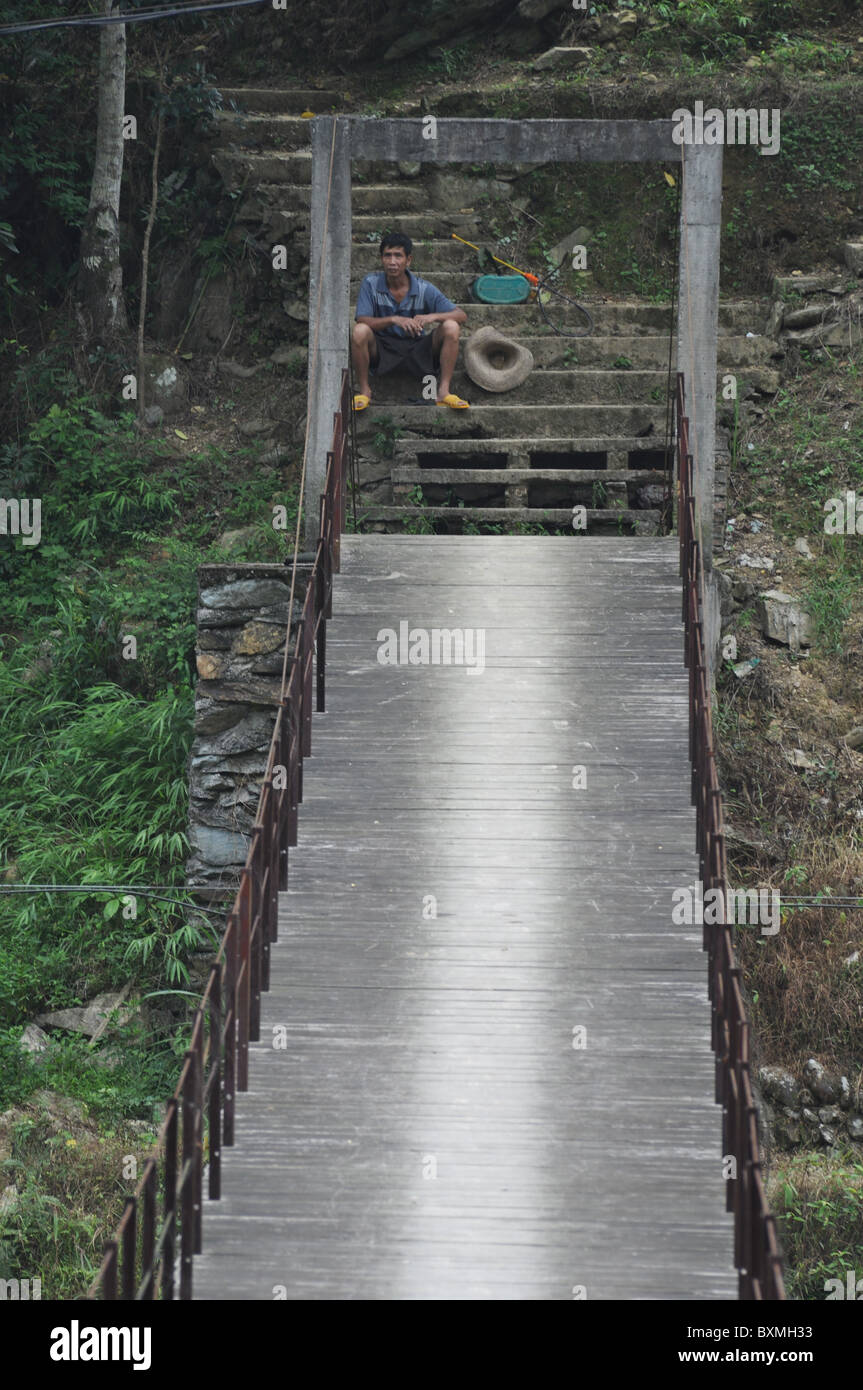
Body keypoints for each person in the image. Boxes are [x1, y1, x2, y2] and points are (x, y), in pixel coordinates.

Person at [352, 231, 469, 410]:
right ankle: (365, 391)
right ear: (381, 259)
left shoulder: (423, 289)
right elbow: (362, 318)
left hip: (418, 348)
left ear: (408, 260)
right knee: (359, 330)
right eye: (387, 255)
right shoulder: (371, 283)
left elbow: (461, 315)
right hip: (383, 348)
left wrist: (433, 317)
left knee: (451, 326)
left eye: (398, 256)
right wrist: (394, 319)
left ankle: (444, 391)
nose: (392, 262)